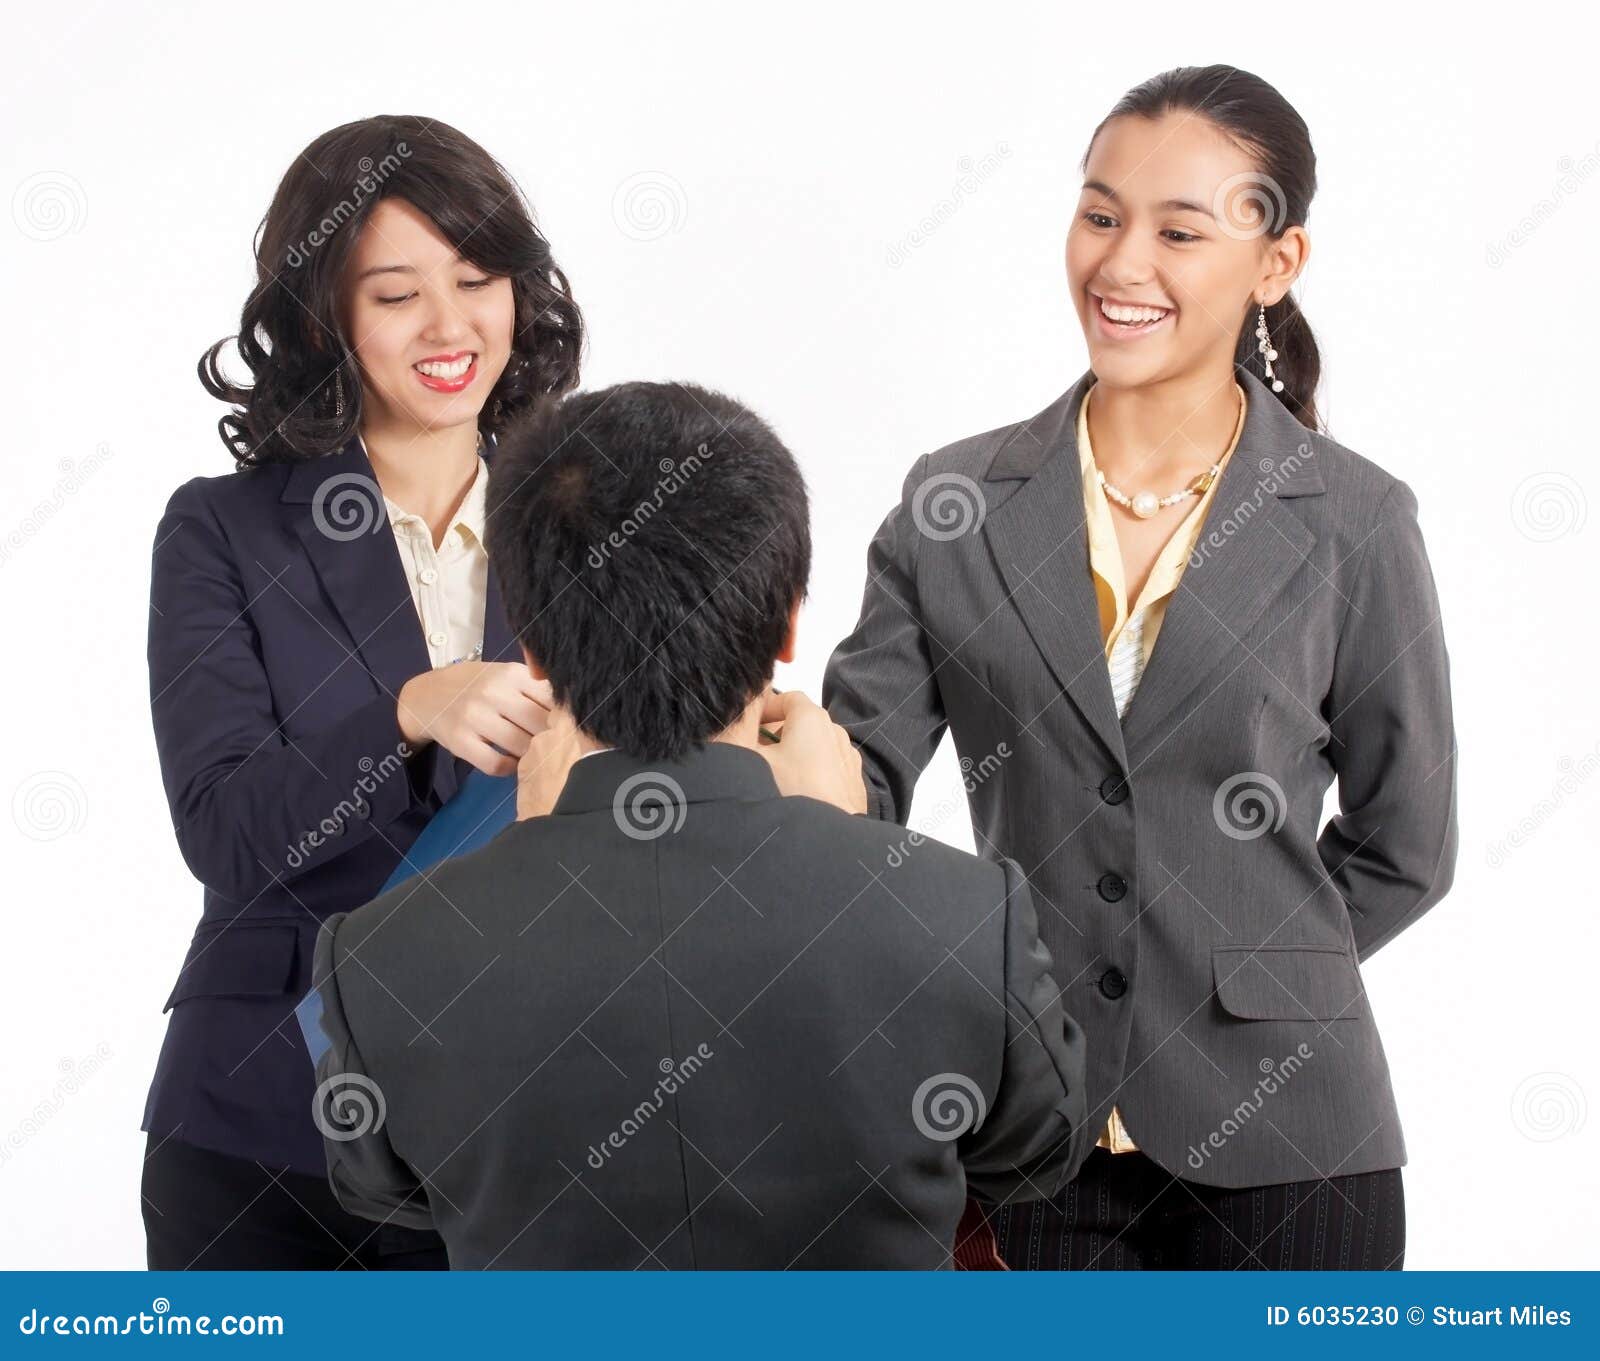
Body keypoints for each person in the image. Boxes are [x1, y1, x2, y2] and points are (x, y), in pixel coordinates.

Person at [822, 65, 1457, 1270]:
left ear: (1275, 261)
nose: (1121, 265)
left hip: (1293, 1142)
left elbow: (1405, 843)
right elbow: (855, 796)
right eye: (1100, 213)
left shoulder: (1355, 520)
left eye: (1179, 229)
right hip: (1027, 1137)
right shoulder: (953, 504)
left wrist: (1228, 981)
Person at [306, 381, 1092, 1268]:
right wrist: (851, 852)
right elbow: (1035, 1154)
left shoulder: (384, 957)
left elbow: (383, 1186)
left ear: (526, 641)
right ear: (790, 621)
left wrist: (527, 852)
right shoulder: (964, 916)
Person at [141, 114, 581, 1269]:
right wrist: (406, 711)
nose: (451, 326)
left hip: (510, 1129)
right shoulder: (222, 530)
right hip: (261, 1130)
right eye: (397, 294)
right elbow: (224, 829)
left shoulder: (589, 525)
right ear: (323, 316)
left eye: (479, 279)